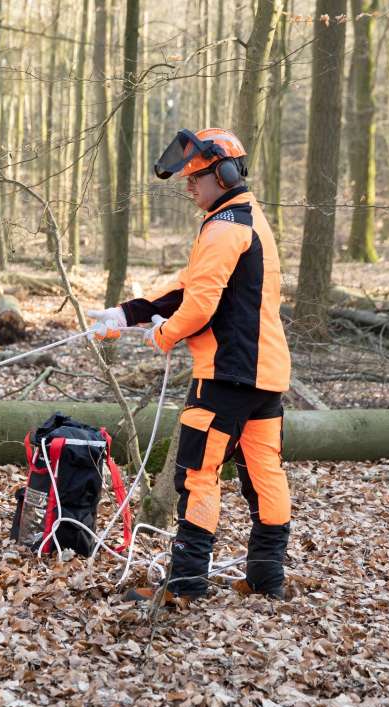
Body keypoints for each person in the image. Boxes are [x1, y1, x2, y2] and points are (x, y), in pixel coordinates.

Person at [87, 128, 292, 602]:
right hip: (263, 376)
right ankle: (266, 578)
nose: (187, 186)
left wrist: (161, 335)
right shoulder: (246, 219)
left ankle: (185, 583)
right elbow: (188, 288)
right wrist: (127, 314)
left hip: (225, 375)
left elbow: (197, 306)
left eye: (194, 177)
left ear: (221, 174)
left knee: (198, 474)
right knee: (265, 474)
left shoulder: (223, 228)